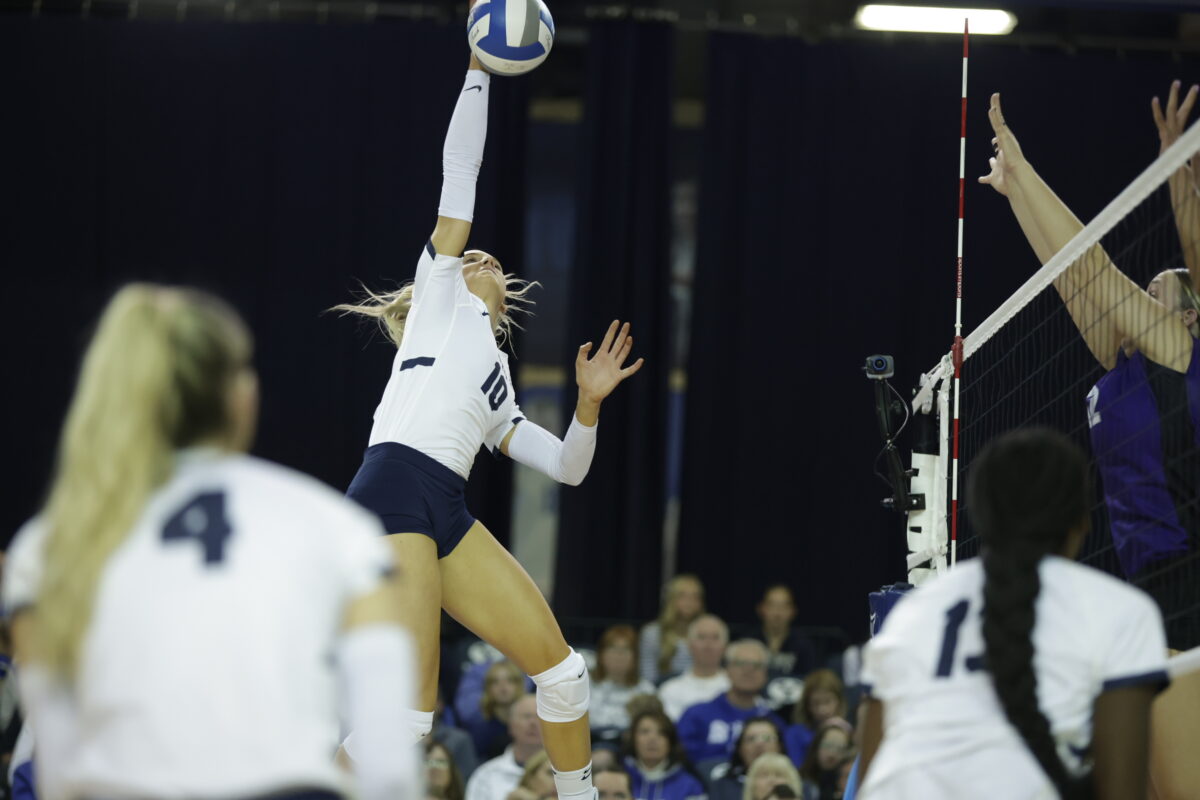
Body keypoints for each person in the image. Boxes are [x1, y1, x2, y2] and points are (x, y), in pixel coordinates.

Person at [333, 20, 644, 800]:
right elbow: (459, 173)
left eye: (484, 258)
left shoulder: (499, 380)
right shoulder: (438, 300)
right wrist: (479, 69)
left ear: (506, 298)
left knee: (565, 674)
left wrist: (588, 404)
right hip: (393, 488)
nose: (475, 255)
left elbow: (569, 469)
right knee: (409, 722)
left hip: (444, 506)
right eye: (468, 253)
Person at [1, 285, 418, 800]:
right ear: (239, 397)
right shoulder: (335, 527)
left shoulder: (48, 547)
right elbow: (390, 768)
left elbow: (58, 773)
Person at [980, 91, 1199, 650]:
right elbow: (1069, 274)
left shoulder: (1177, 350)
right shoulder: (1120, 361)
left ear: (1189, 316)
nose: (1142, 295)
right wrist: (1015, 188)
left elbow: (1096, 265)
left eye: (1155, 292)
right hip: (1145, 578)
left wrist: (1029, 170)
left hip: (1187, 572)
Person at [858, 427, 1168, 800]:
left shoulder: (910, 615)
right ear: (1083, 521)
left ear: (981, 515)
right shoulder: (1122, 612)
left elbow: (869, 775)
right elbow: (1121, 791)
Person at [677, 640, 785, 766]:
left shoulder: (774, 722)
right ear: (726, 670)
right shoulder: (696, 716)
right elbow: (681, 759)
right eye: (741, 664)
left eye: (757, 665)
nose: (748, 670)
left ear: (765, 674)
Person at [466, 696, 545, 800]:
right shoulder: (486, 775)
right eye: (527, 716)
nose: (533, 723)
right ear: (511, 725)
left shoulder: (566, 773)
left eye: (540, 717)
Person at [590, 625, 657, 742]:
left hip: (631, 746)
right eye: (613, 648)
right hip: (590, 742)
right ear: (601, 655)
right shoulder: (585, 685)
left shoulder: (646, 690)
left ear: (635, 657)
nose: (619, 655)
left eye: (625, 649)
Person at [658, 615, 731, 722]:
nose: (708, 644)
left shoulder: (736, 688)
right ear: (689, 644)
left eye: (715, 637)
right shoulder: (669, 690)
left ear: (725, 646)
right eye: (701, 637)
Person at [622, 710, 706, 800]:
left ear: (671, 741)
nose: (652, 739)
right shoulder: (617, 778)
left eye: (661, 733)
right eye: (645, 731)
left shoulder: (690, 786)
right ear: (632, 738)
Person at [640, 576, 705, 684]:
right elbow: (647, 678)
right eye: (683, 596)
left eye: (695, 597)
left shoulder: (707, 635)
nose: (689, 602)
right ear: (671, 599)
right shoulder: (651, 633)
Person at [708, 718, 787, 800]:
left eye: (767, 738)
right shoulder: (722, 788)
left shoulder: (796, 781)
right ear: (740, 748)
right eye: (751, 739)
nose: (759, 744)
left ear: (780, 746)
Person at [749, 586, 816, 680]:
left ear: (793, 611)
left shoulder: (804, 645)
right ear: (761, 608)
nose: (777, 613)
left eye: (784, 607)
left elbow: (809, 679)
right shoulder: (748, 642)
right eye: (772, 606)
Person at [783, 671, 846, 767]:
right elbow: (797, 769)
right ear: (807, 705)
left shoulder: (847, 732)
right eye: (816, 703)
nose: (822, 710)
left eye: (827, 701)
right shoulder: (795, 733)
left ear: (839, 701)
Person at [467, 660, 528, 759]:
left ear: (519, 685)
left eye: (510, 680)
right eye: (495, 682)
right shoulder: (479, 728)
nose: (503, 687)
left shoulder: (532, 722)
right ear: (487, 688)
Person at [798, 720, 852, 800]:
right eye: (828, 745)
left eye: (840, 749)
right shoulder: (799, 780)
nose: (832, 754)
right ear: (816, 746)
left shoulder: (845, 783)